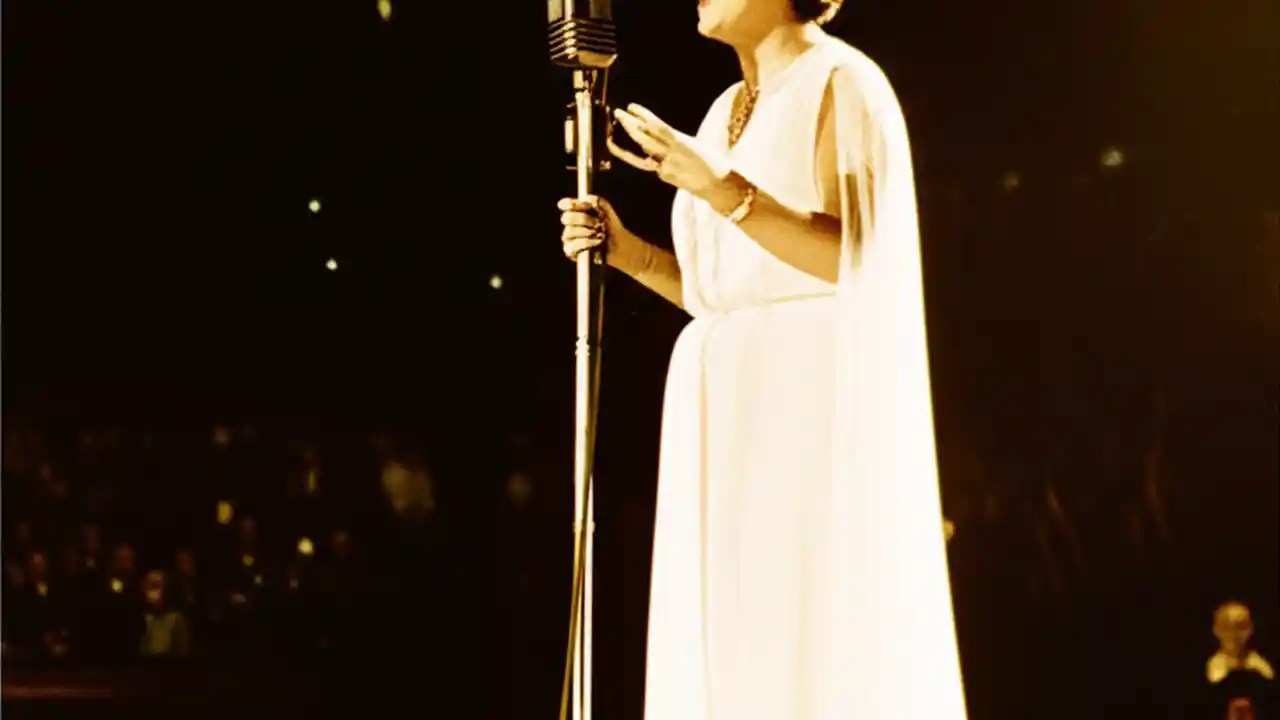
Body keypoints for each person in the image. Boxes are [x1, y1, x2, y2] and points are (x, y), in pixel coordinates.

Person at [556, 0, 966, 716]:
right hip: (723, 406)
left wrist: (718, 186)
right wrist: (631, 255)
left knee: (794, 624)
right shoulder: (724, 111)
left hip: (803, 401)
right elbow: (729, 292)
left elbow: (850, 256)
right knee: (732, 634)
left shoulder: (841, 81)